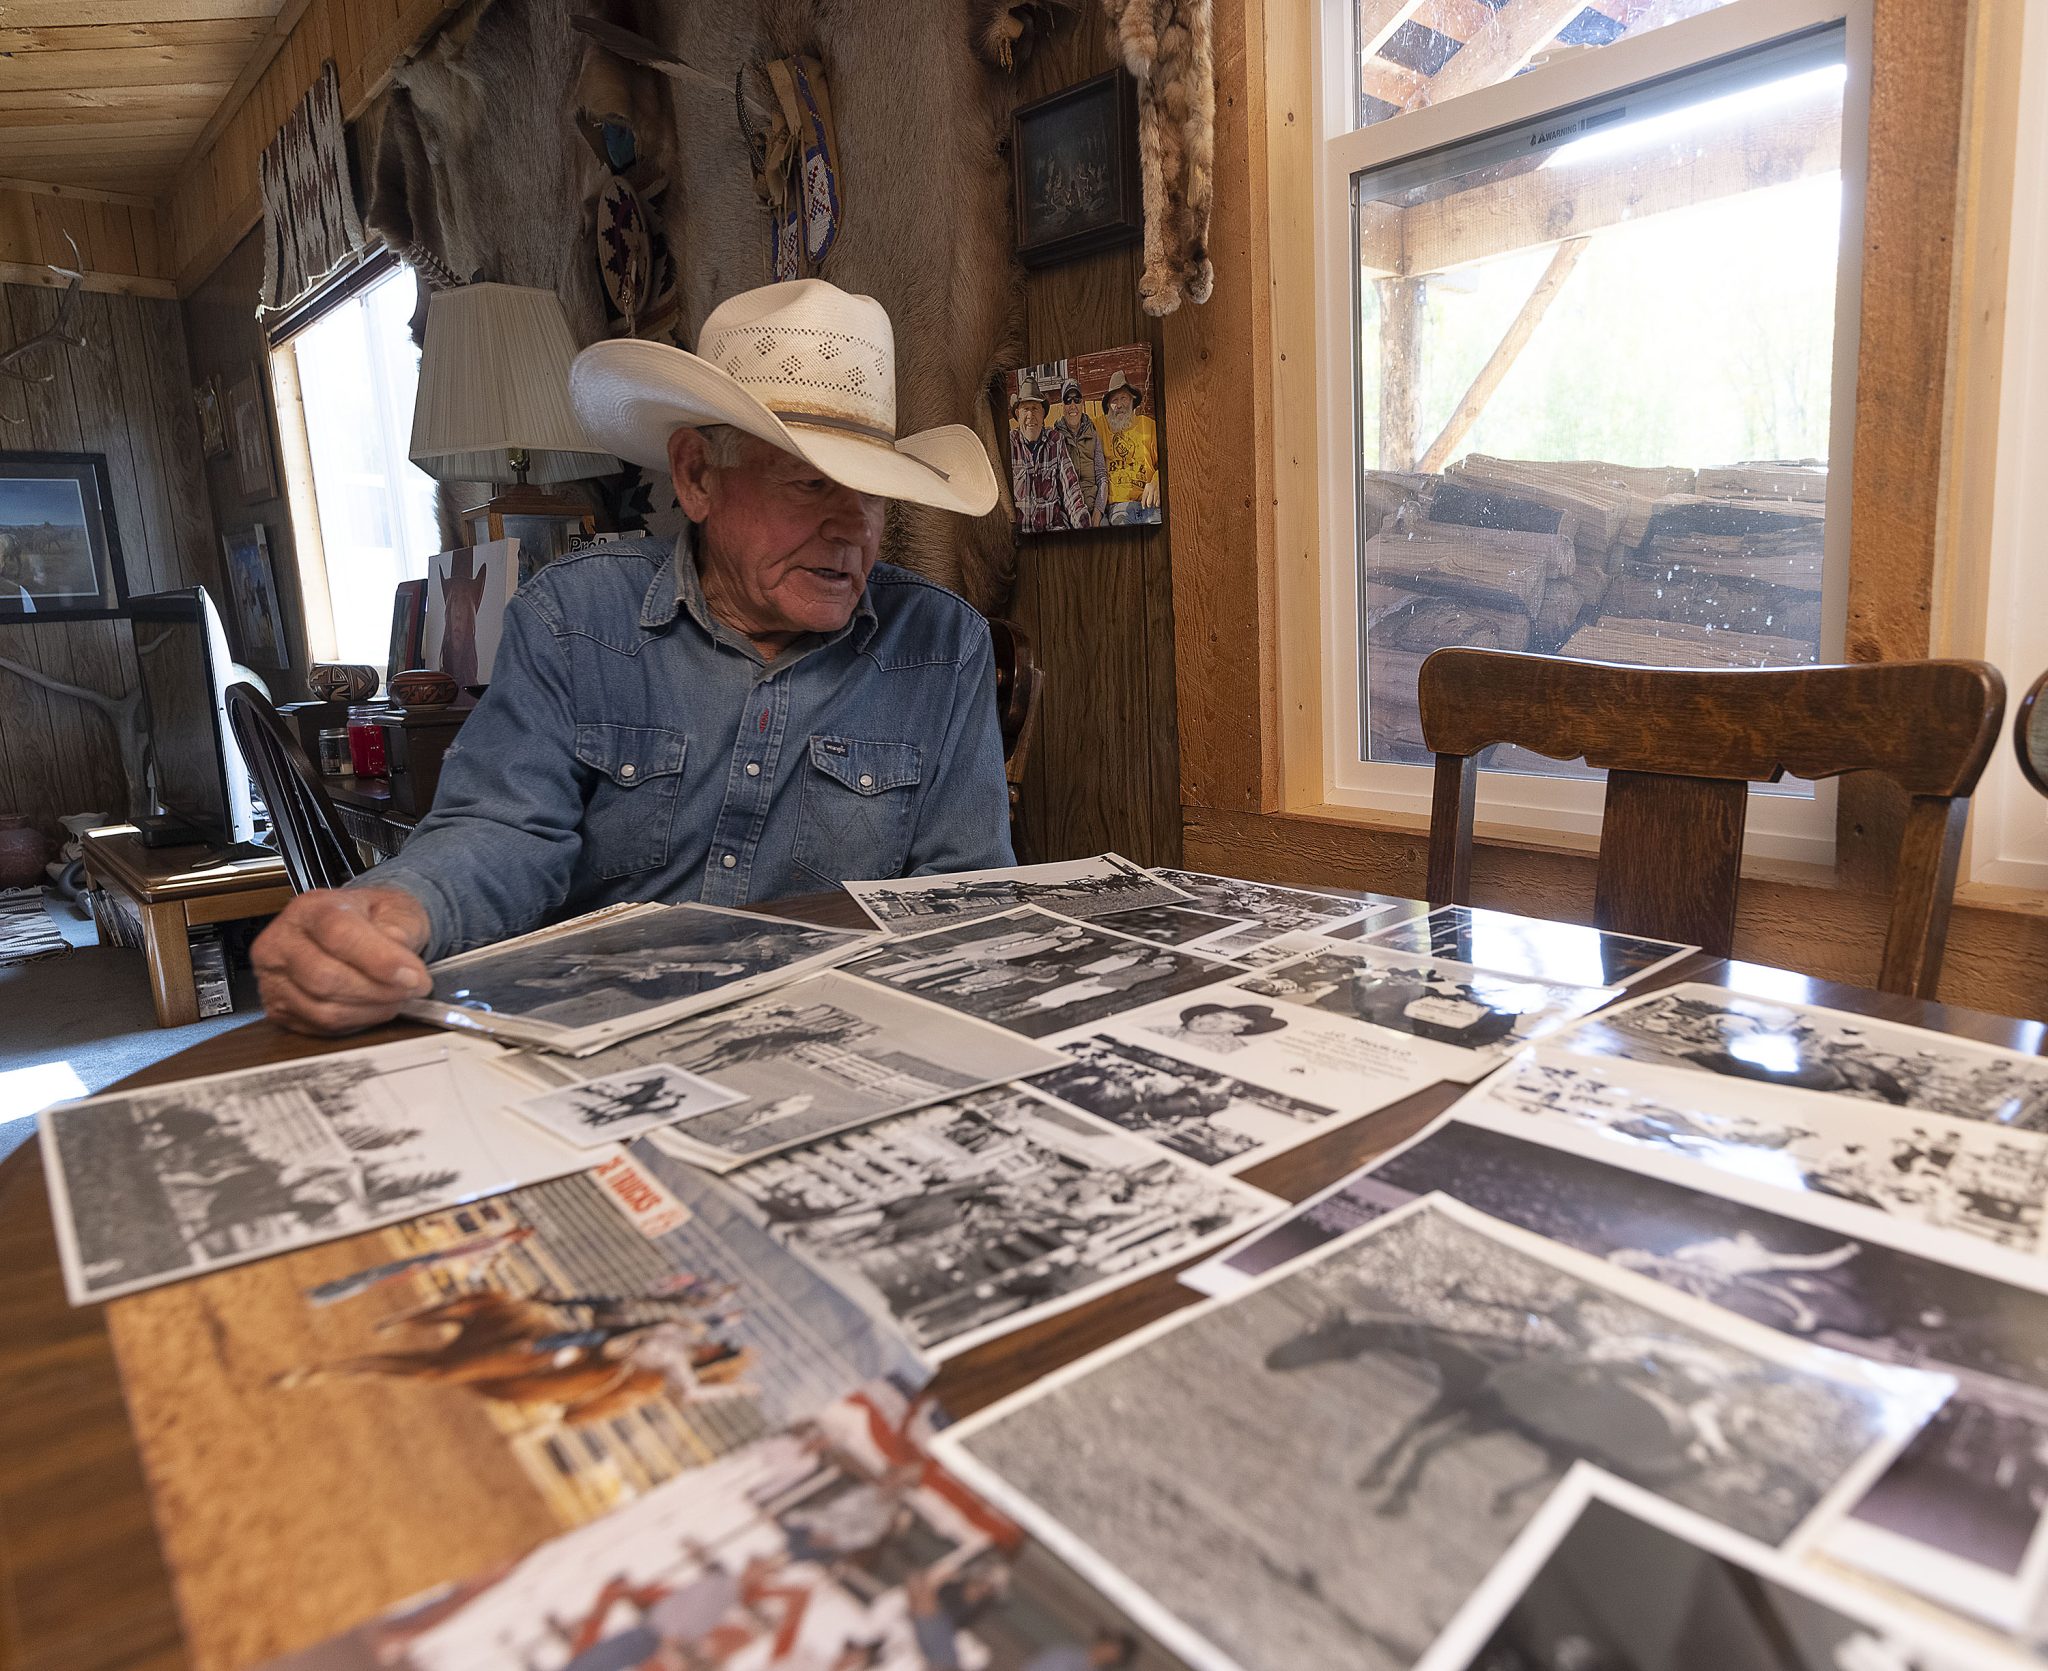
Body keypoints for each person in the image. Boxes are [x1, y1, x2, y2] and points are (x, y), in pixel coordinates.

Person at [252, 279, 1010, 1035]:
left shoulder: (942, 648)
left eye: (871, 493)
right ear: (697, 476)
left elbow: (964, 895)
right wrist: (404, 905)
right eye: (811, 484)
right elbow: (504, 828)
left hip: (835, 1030)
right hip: (600, 1031)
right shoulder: (573, 621)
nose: (853, 530)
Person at [1009, 376, 1086, 533]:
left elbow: (1071, 491)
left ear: (1043, 413)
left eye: (1035, 408)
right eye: (1025, 409)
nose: (1031, 416)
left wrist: (1084, 530)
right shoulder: (1009, 444)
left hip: (1053, 528)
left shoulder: (1055, 441)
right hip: (1023, 534)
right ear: (1018, 414)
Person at [1095, 370, 1160, 526]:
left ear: (1132, 400)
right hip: (1119, 507)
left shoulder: (1148, 426)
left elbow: (1171, 462)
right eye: (1114, 400)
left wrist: (1157, 481)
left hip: (1151, 504)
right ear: (1109, 406)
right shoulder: (1099, 426)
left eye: (1123, 397)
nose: (1119, 405)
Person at [1054, 379, 1107, 528]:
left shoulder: (1093, 433)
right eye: (1067, 400)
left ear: (1082, 403)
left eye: (1076, 399)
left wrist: (1098, 513)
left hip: (1093, 508)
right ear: (1062, 405)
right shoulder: (1055, 437)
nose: (1072, 405)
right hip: (1069, 512)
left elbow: (1102, 476)